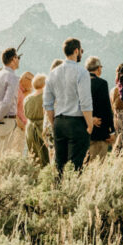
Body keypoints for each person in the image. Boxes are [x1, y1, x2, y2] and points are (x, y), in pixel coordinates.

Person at [44, 38, 96, 176]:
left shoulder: (52, 73)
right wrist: (90, 125)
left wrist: (53, 122)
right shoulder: (82, 72)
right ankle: (72, 195)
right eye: (80, 51)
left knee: (59, 165)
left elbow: (48, 104)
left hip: (59, 122)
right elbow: (85, 102)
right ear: (76, 51)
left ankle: (57, 194)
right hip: (77, 123)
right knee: (76, 166)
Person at [86, 56, 115, 161]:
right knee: (97, 165)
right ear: (98, 68)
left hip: (82, 130)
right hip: (99, 131)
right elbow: (107, 109)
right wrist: (111, 131)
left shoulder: (78, 82)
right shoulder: (102, 83)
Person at [24, 73, 49, 167]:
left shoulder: (27, 98)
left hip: (29, 129)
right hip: (41, 128)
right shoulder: (45, 97)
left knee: (33, 155)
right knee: (45, 156)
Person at [11, 71, 33, 156]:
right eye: (31, 82)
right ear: (25, 79)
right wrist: (20, 124)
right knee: (16, 153)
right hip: (18, 127)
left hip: (21, 126)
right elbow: (11, 110)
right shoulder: (17, 90)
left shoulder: (22, 90)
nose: (32, 85)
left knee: (19, 152)